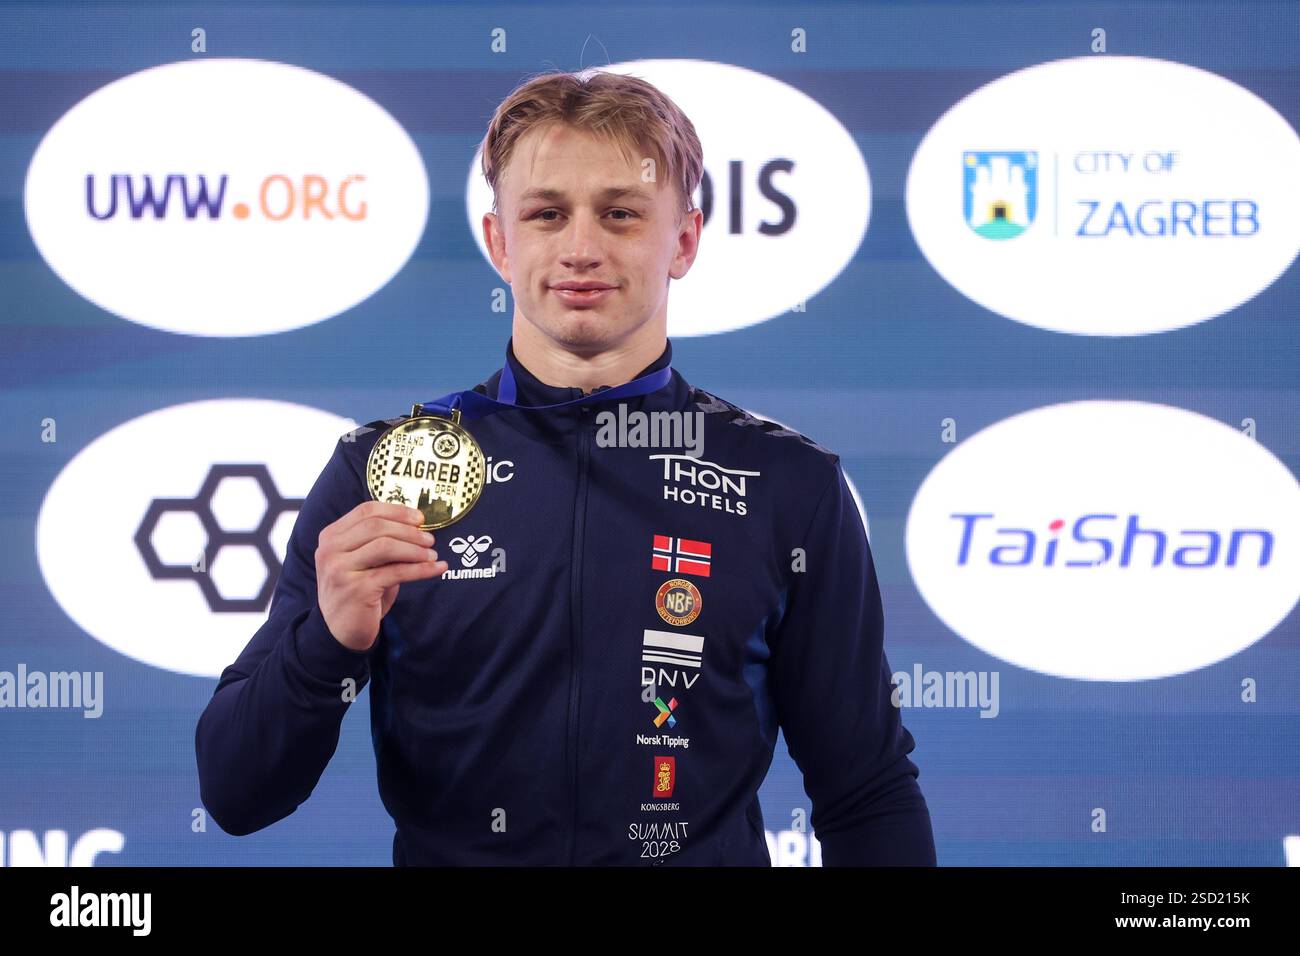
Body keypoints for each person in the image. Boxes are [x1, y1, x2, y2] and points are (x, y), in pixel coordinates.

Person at [195, 68, 937, 866]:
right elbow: (237, 795)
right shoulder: (387, 474)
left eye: (620, 213)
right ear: (499, 242)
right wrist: (325, 644)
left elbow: (866, 792)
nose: (581, 248)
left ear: (683, 240)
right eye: (547, 214)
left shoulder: (787, 486)